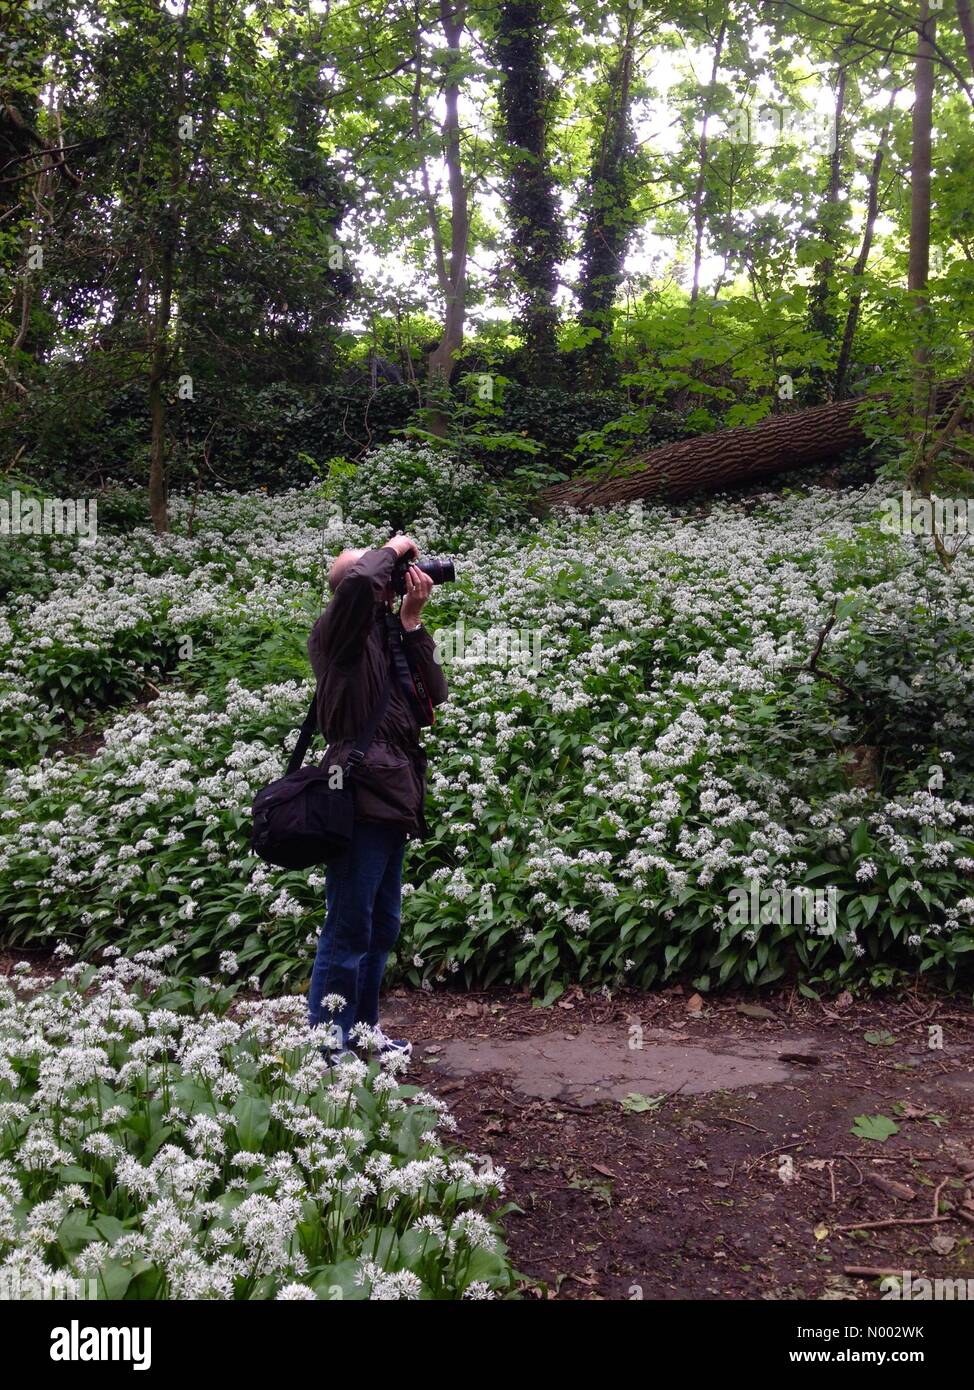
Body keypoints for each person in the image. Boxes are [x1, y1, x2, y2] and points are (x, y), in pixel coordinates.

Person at [305, 535, 448, 1062]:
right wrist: (394, 546)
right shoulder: (336, 634)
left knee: (380, 925)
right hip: (357, 792)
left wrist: (412, 622)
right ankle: (326, 1046)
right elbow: (361, 579)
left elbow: (434, 692)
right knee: (347, 929)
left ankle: (363, 1032)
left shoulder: (384, 633)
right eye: (375, 573)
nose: (385, 577)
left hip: (396, 791)